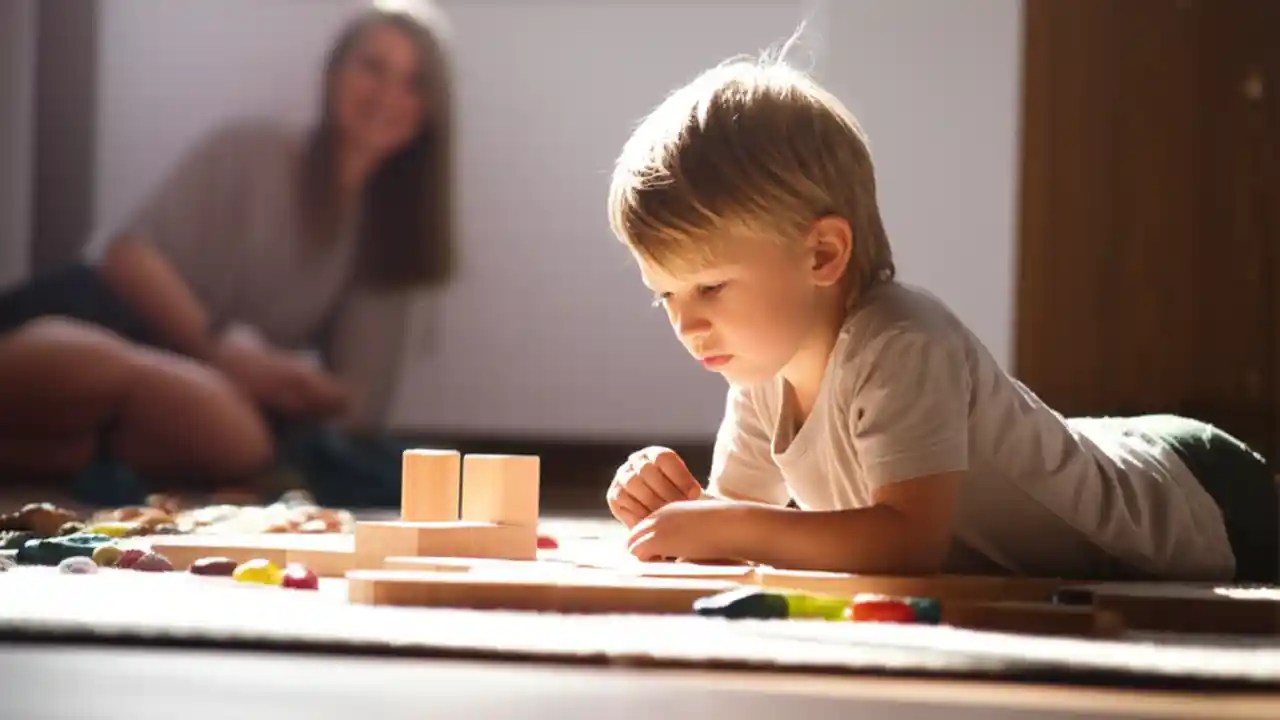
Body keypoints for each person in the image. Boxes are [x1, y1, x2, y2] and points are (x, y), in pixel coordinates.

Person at [602, 54, 1278, 583]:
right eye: (667, 296)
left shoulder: (899, 340)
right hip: (1106, 447)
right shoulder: (762, 373)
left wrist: (729, 528)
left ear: (823, 253)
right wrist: (672, 507)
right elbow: (730, 517)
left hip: (1196, 496)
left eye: (711, 287)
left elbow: (905, 540)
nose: (687, 326)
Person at [0, 3, 452, 502]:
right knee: (202, 415)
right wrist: (222, 350)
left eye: (414, 82)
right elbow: (126, 257)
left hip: (199, 388)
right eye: (373, 67)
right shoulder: (254, 150)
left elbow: (355, 407)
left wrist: (292, 383)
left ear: (431, 110)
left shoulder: (388, 233)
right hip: (95, 319)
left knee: (241, 439)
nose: (389, 94)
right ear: (334, 73)